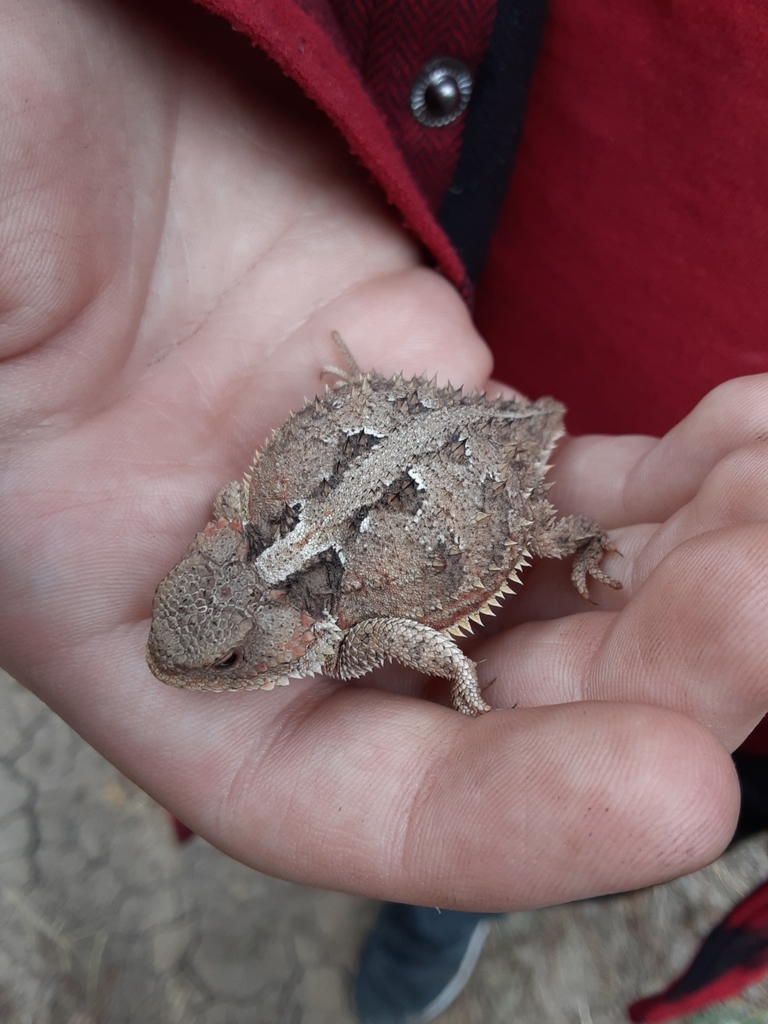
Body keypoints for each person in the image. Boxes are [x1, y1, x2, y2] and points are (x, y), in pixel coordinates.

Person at [0, 2, 766, 1022]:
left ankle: (458, 903)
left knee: (620, 702)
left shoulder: (354, 637)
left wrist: (462, 693)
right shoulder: (248, 523)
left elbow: (438, 649)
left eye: (219, 659)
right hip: (448, 225)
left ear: (274, 638)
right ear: (213, 552)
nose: (187, 672)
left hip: (520, 437)